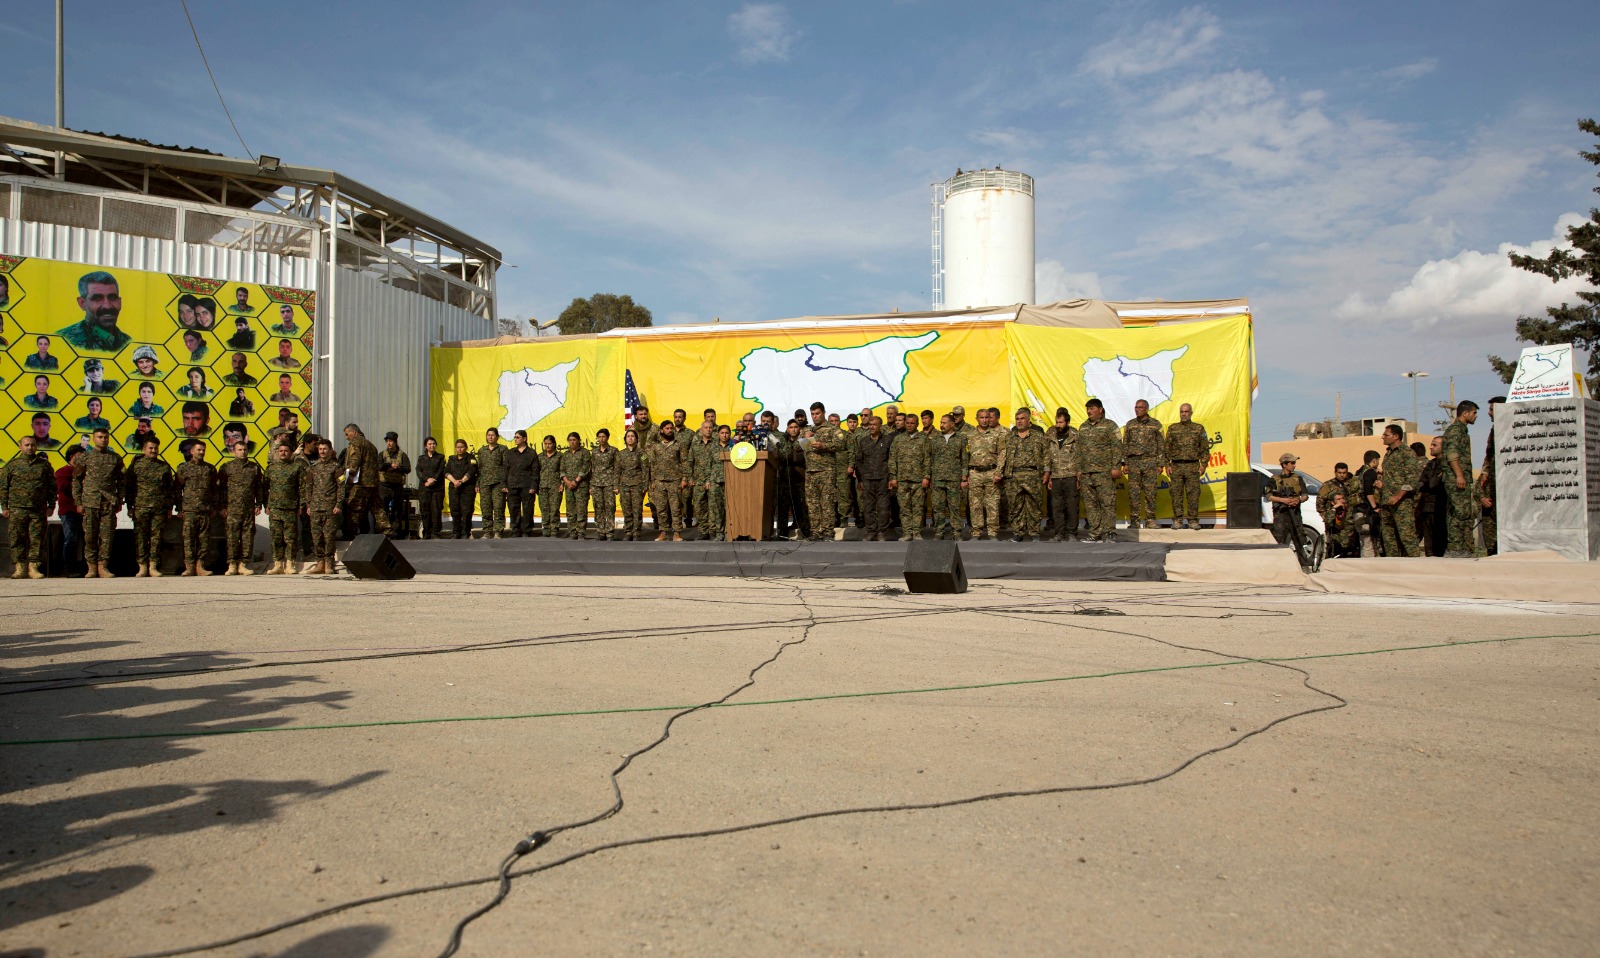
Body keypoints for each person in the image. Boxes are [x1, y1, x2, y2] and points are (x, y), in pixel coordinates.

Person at [73, 426, 124, 578]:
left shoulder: (115, 458)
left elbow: (122, 481)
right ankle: (92, 567)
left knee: (107, 536)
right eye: (100, 437)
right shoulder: (84, 457)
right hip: (90, 502)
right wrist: (78, 502)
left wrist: (119, 500)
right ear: (94, 439)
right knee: (90, 536)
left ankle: (103, 567)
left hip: (108, 502)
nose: (103, 440)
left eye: (105, 437)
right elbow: (76, 480)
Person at [1, 435, 56, 578]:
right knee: (17, 538)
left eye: (32, 445)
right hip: (17, 508)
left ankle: (33, 567)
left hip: (38, 509)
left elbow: (51, 487)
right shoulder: (12, 465)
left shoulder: (44, 466)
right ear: (20, 447)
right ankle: (19, 568)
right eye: (26, 445)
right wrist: (4, 507)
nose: (30, 448)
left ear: (36, 446)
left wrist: (51, 505)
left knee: (37, 538)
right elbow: (4, 488)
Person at [1074, 399, 1124, 543]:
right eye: (1088, 409)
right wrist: (1078, 470)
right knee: (1091, 506)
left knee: (1107, 504)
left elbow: (1117, 447)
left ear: (1100, 410)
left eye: (1092, 408)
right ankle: (1094, 534)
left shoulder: (1109, 426)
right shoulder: (1083, 427)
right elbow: (1078, 450)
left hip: (1104, 473)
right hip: (1086, 473)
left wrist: (1116, 467)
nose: (1089, 411)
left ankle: (1110, 533)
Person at [125, 437, 174, 577]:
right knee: (140, 537)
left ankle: (153, 566)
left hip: (159, 508)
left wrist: (170, 507)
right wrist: (130, 506)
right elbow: (130, 487)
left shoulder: (164, 466)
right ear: (143, 449)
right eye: (150, 448)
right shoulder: (136, 466)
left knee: (156, 537)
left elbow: (169, 488)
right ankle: (142, 567)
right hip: (141, 507)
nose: (153, 450)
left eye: (155, 448)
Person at [218, 440, 263, 575]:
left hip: (248, 509)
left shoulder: (254, 468)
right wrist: (222, 506)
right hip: (231, 509)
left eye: (244, 450)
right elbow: (221, 489)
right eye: (239, 450)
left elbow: (258, 488)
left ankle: (243, 564)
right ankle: (232, 564)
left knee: (247, 537)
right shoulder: (226, 467)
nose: (242, 452)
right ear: (233, 451)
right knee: (232, 537)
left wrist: (258, 504)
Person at [1003, 408, 1049, 541]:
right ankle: (1018, 533)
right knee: (1015, 506)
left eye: (1022, 419)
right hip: (1014, 476)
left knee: (1034, 505)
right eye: (1017, 419)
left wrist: (1046, 473)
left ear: (1029, 421)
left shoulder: (1038, 437)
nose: (1019, 421)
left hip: (1032, 475)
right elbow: (1003, 457)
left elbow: (1046, 456)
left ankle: (1034, 533)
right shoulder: (1009, 438)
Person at [1378, 424, 1423, 558]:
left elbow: (1412, 480)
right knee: (1389, 537)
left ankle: (1415, 564)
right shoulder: (1388, 454)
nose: (1383, 437)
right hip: (1386, 501)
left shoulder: (1407, 453)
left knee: (1407, 536)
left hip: (1402, 503)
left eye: (1386, 435)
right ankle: (1393, 564)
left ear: (1396, 436)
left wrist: (1398, 496)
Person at [58, 270, 131, 353]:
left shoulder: (128, 343)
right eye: (97, 298)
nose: (107, 306)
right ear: (82, 303)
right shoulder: (64, 340)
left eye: (113, 298)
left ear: (120, 302)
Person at [1441, 400, 1479, 558]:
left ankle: (1458, 548)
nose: (1476, 416)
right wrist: (1459, 475)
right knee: (1460, 513)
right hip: (1455, 479)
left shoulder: (1462, 430)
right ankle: (1456, 549)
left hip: (1457, 478)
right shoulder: (1456, 430)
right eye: (1474, 413)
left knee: (1457, 513)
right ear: (1465, 413)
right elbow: (1452, 455)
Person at [174, 440, 217, 576]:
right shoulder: (183, 468)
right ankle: (189, 567)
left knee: (204, 540)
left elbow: (214, 490)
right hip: (189, 510)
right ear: (192, 451)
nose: (201, 452)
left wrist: (214, 507)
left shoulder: (209, 469)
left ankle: (200, 566)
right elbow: (177, 489)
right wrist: (179, 508)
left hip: (205, 510)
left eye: (203, 450)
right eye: (199, 450)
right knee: (188, 539)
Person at [264, 439, 307, 574]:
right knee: (276, 537)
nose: (283, 453)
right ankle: (278, 564)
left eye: (286, 451)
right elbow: (264, 488)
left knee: (290, 538)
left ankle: (290, 564)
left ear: (290, 453)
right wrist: (266, 504)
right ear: (277, 452)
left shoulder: (296, 468)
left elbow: (302, 487)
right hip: (275, 508)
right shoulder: (271, 469)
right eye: (281, 451)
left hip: (290, 508)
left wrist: (301, 505)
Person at [341, 423, 391, 537]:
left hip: (361, 483)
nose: (346, 437)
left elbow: (353, 464)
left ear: (353, 432)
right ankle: (386, 530)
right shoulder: (371, 445)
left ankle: (350, 532)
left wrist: (344, 478)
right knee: (377, 508)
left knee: (353, 507)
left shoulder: (355, 443)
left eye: (347, 434)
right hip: (373, 482)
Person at [1164, 403, 1208, 530]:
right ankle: (1178, 520)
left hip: (1192, 465)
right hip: (1176, 465)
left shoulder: (1198, 428)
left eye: (1186, 411)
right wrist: (1167, 464)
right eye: (1182, 412)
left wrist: (1203, 464)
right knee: (1176, 494)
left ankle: (1193, 520)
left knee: (1193, 493)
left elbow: (1204, 448)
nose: (1184, 414)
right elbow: (1167, 448)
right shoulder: (1173, 428)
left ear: (1191, 413)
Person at [1122, 399, 1165, 529]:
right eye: (1136, 407)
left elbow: (1161, 445)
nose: (1137, 409)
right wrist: (1125, 462)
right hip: (1134, 462)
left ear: (1146, 408)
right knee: (1134, 493)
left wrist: (1160, 464)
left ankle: (1151, 520)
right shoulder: (1130, 425)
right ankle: (1134, 521)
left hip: (1150, 462)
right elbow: (1125, 444)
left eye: (1140, 407)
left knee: (1150, 492)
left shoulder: (1156, 425)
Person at [963, 408, 1004, 540]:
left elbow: (1003, 453)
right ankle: (976, 532)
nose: (985, 420)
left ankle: (992, 532)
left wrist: (999, 472)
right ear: (977, 419)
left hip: (992, 472)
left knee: (993, 504)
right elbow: (964, 455)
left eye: (987, 417)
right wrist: (965, 474)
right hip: (975, 472)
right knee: (975, 504)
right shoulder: (969, 435)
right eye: (982, 417)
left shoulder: (997, 434)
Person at [887, 409, 929, 541]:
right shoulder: (898, 439)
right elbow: (892, 459)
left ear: (917, 424)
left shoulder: (923, 439)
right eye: (908, 423)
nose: (910, 425)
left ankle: (916, 533)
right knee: (904, 508)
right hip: (902, 479)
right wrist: (893, 477)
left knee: (917, 508)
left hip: (918, 479)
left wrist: (926, 477)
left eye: (912, 423)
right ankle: (906, 533)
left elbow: (927, 459)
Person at [804, 402, 844, 541]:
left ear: (823, 413)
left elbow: (841, 444)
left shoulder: (833, 429)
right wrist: (804, 437)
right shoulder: (809, 430)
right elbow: (798, 447)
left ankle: (827, 532)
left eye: (817, 413)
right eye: (812, 414)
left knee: (827, 502)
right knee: (812, 503)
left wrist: (823, 445)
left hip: (826, 471)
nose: (814, 417)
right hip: (810, 471)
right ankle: (815, 532)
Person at [304, 438, 344, 574]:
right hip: (315, 507)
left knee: (329, 536)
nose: (322, 451)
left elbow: (341, 487)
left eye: (325, 449)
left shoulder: (337, 468)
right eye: (320, 449)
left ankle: (328, 562)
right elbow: (308, 487)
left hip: (330, 507)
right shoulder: (313, 467)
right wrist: (308, 504)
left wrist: (338, 504)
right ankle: (319, 562)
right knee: (316, 536)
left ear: (330, 450)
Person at [927, 414, 969, 540]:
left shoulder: (961, 438)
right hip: (937, 479)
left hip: (954, 479)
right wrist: (928, 476)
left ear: (952, 424)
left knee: (954, 507)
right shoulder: (934, 439)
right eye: (941, 422)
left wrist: (964, 477)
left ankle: (956, 532)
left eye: (944, 423)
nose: (941, 425)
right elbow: (929, 458)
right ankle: (939, 532)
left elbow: (965, 459)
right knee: (938, 507)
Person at [645, 422, 689, 540]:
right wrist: (652, 481)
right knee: (661, 508)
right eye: (667, 428)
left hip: (675, 481)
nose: (670, 430)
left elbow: (684, 462)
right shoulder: (656, 447)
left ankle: (676, 533)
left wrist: (684, 478)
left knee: (675, 508)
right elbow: (652, 465)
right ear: (661, 431)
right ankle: (663, 532)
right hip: (659, 481)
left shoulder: (679, 445)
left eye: (671, 428)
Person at [1044, 408, 1079, 541]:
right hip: (1056, 476)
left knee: (1071, 506)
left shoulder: (1075, 435)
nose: (1058, 425)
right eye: (1057, 422)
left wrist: (1078, 476)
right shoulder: (1050, 434)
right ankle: (1059, 533)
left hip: (1071, 476)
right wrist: (1049, 475)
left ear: (1068, 422)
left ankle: (1071, 533)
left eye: (1061, 423)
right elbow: (1046, 456)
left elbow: (1080, 455)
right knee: (1056, 507)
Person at [771, 418, 808, 539]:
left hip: (799, 478)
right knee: (783, 507)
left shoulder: (803, 441)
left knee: (800, 506)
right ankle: (782, 533)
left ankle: (804, 531)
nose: (793, 429)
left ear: (799, 429)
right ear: (787, 429)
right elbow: (779, 456)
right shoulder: (782, 440)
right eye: (791, 427)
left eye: (795, 427)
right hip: (784, 478)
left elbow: (804, 458)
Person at [1266, 453, 1310, 555]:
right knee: (1280, 540)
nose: (1294, 465)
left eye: (1294, 463)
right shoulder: (1274, 480)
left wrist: (1298, 500)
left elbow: (1305, 495)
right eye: (1292, 463)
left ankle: (1304, 564)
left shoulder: (1298, 479)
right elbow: (1268, 496)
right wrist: (1283, 500)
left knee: (1299, 537)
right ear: (1284, 464)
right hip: (1281, 515)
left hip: (1295, 513)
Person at [1479, 396, 1504, 555]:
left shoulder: (1512, 426)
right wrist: (1485, 472)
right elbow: (1489, 456)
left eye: (1491, 409)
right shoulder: (1494, 429)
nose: (1489, 413)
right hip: (1493, 483)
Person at [55, 446, 85, 575]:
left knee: (86, 540)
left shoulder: (86, 472)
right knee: (71, 539)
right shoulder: (63, 471)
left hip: (84, 510)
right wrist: (80, 484)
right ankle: (69, 568)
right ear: (72, 457)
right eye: (80, 455)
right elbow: (62, 487)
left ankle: (84, 567)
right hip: (69, 511)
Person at [503, 430, 539, 538]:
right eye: (515, 437)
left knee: (528, 509)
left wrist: (533, 486)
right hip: (512, 485)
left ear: (524, 439)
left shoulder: (531, 453)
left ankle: (526, 531)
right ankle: (515, 530)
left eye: (518, 437)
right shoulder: (510, 453)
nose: (515, 439)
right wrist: (504, 484)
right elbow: (505, 469)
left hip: (527, 485)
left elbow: (535, 471)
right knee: (513, 509)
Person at [475, 428, 509, 538]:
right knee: (486, 508)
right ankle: (487, 531)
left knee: (499, 507)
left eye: (493, 435)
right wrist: (477, 483)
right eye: (488, 435)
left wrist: (504, 483)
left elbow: (506, 467)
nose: (490, 437)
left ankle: (498, 531)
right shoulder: (482, 451)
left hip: (498, 483)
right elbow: (479, 469)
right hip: (484, 483)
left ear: (497, 437)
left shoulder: (502, 449)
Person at [1417, 436, 1448, 557]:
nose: (1431, 447)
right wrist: (1430, 482)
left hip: (1440, 507)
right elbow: (1421, 484)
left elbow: (1434, 484)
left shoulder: (1447, 464)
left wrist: (1430, 482)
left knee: (1440, 541)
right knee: (1429, 546)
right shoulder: (1430, 464)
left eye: (1434, 445)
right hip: (1427, 507)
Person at [559, 431, 592, 539]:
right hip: (569, 486)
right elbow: (562, 470)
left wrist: (576, 481)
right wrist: (567, 481)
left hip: (581, 486)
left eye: (574, 440)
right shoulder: (565, 455)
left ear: (579, 441)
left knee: (581, 510)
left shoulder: (585, 453)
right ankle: (572, 531)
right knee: (570, 510)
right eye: (570, 440)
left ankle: (581, 532)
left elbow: (585, 468)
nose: (572, 442)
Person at [617, 428, 648, 541]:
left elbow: (645, 470)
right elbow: (617, 471)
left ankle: (637, 532)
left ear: (636, 439)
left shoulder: (642, 453)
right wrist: (616, 486)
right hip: (624, 485)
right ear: (625, 439)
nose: (630, 438)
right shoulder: (620, 454)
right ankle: (628, 531)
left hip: (637, 485)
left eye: (632, 436)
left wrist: (645, 485)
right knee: (626, 509)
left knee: (637, 509)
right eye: (628, 436)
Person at [378, 431, 412, 537]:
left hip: (397, 486)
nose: (389, 443)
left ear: (395, 442)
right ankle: (383, 531)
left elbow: (408, 469)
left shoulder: (402, 455)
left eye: (391, 441)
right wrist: (389, 465)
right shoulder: (382, 454)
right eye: (387, 441)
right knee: (383, 510)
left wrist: (398, 468)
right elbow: (379, 466)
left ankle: (396, 532)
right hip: (384, 485)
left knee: (397, 510)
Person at [590, 427, 620, 541]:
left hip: (609, 483)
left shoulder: (613, 451)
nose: (601, 439)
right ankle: (601, 531)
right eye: (599, 437)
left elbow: (617, 468)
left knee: (610, 507)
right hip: (596, 483)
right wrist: (591, 486)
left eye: (603, 436)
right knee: (598, 507)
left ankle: (610, 531)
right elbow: (591, 469)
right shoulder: (593, 451)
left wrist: (616, 485)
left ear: (607, 437)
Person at [415, 437, 447, 539]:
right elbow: (418, 471)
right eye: (429, 444)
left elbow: (440, 470)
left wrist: (433, 480)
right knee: (425, 510)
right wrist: (427, 480)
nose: (432, 445)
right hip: (424, 488)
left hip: (437, 489)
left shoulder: (440, 457)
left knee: (436, 510)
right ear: (426, 446)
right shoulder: (421, 458)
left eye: (433, 443)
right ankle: (426, 532)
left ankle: (436, 532)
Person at [445, 439, 477, 539]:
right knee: (455, 510)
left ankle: (465, 533)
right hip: (454, 487)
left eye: (462, 447)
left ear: (466, 448)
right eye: (458, 447)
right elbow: (446, 472)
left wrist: (461, 481)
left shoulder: (471, 458)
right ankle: (456, 532)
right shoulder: (452, 459)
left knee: (466, 511)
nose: (460, 449)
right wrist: (454, 481)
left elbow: (472, 471)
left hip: (467, 488)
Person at [536, 435, 563, 537]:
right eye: (546, 444)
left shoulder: (560, 456)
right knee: (544, 509)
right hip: (542, 486)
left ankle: (554, 530)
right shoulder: (540, 457)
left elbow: (562, 471)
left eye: (549, 444)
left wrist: (562, 484)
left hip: (555, 486)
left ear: (554, 444)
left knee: (554, 509)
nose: (547, 446)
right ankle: (546, 530)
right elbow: (536, 472)